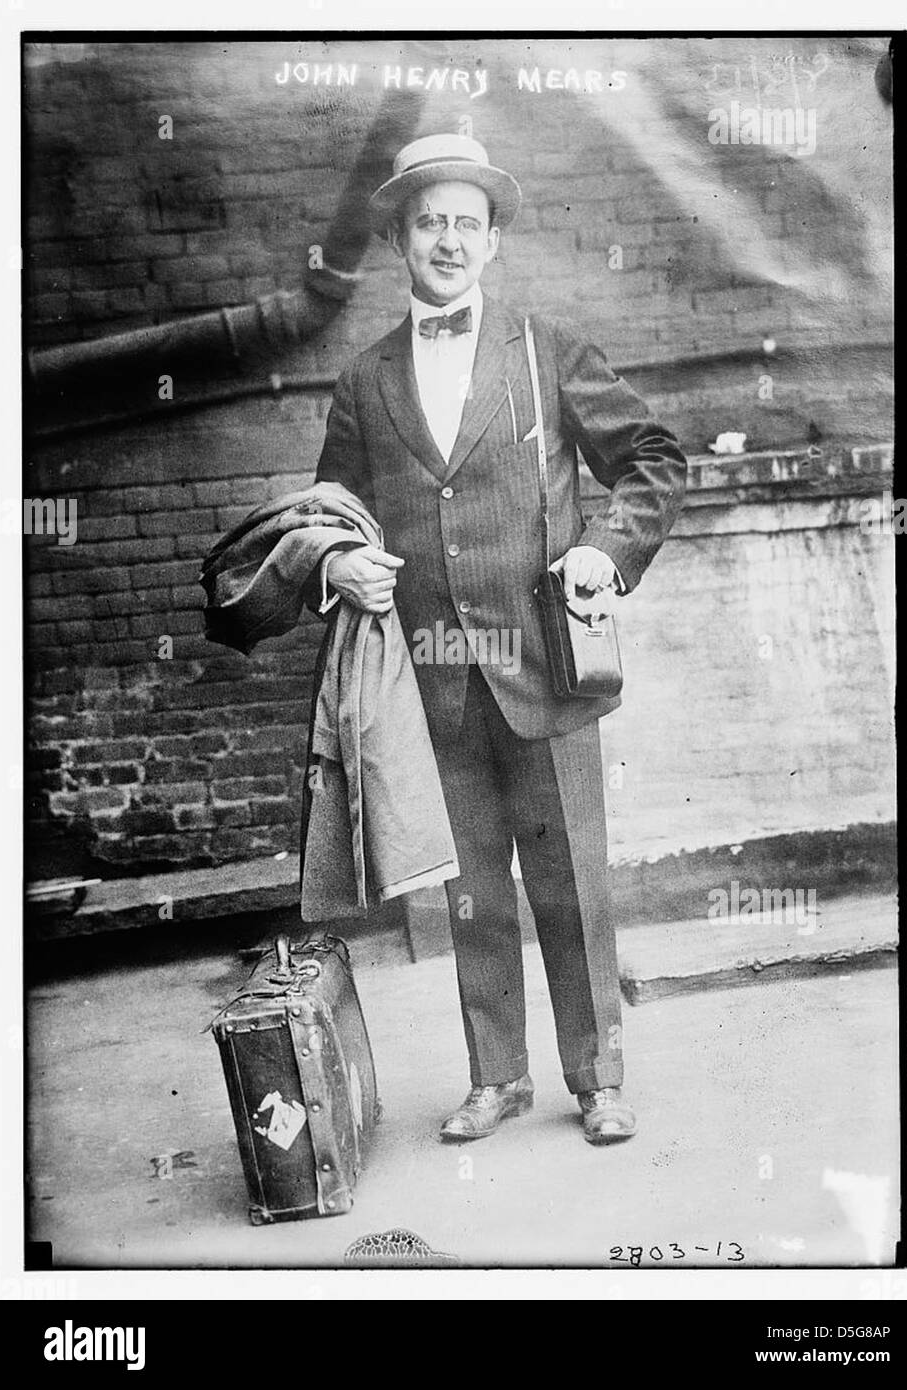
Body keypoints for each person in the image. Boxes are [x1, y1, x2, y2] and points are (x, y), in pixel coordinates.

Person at [314, 133, 686, 1145]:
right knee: (471, 894)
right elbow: (332, 510)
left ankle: (598, 1074)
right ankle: (497, 1076)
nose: (447, 240)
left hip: (544, 668)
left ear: (491, 242)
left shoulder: (544, 348)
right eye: (428, 221)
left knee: (570, 882)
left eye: (464, 224)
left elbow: (652, 456)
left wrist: (607, 550)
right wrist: (335, 564)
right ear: (398, 237)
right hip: (427, 679)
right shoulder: (364, 380)